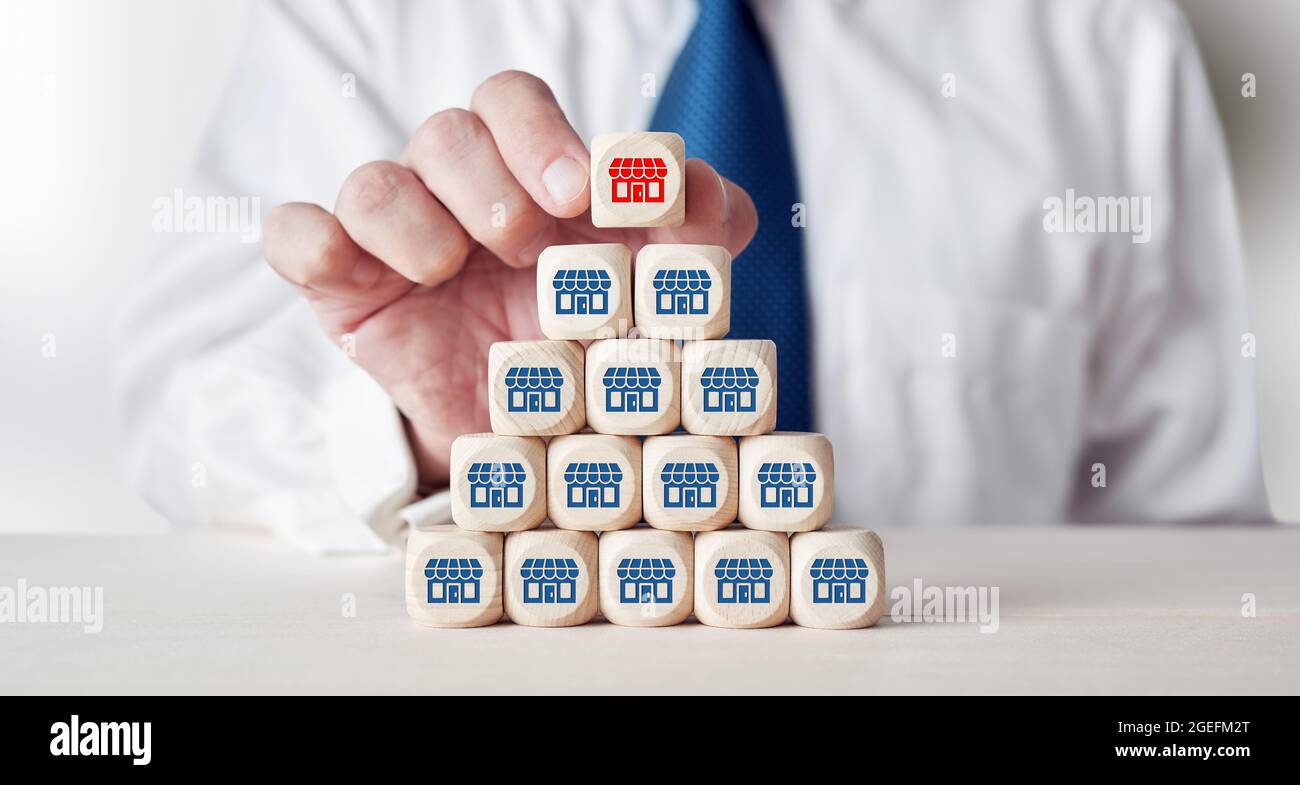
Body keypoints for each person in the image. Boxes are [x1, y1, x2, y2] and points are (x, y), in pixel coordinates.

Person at [115, 0, 1271, 553]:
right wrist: (431, 433)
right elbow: (173, 418)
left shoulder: (1103, 40)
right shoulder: (360, 19)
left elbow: (1190, 552)